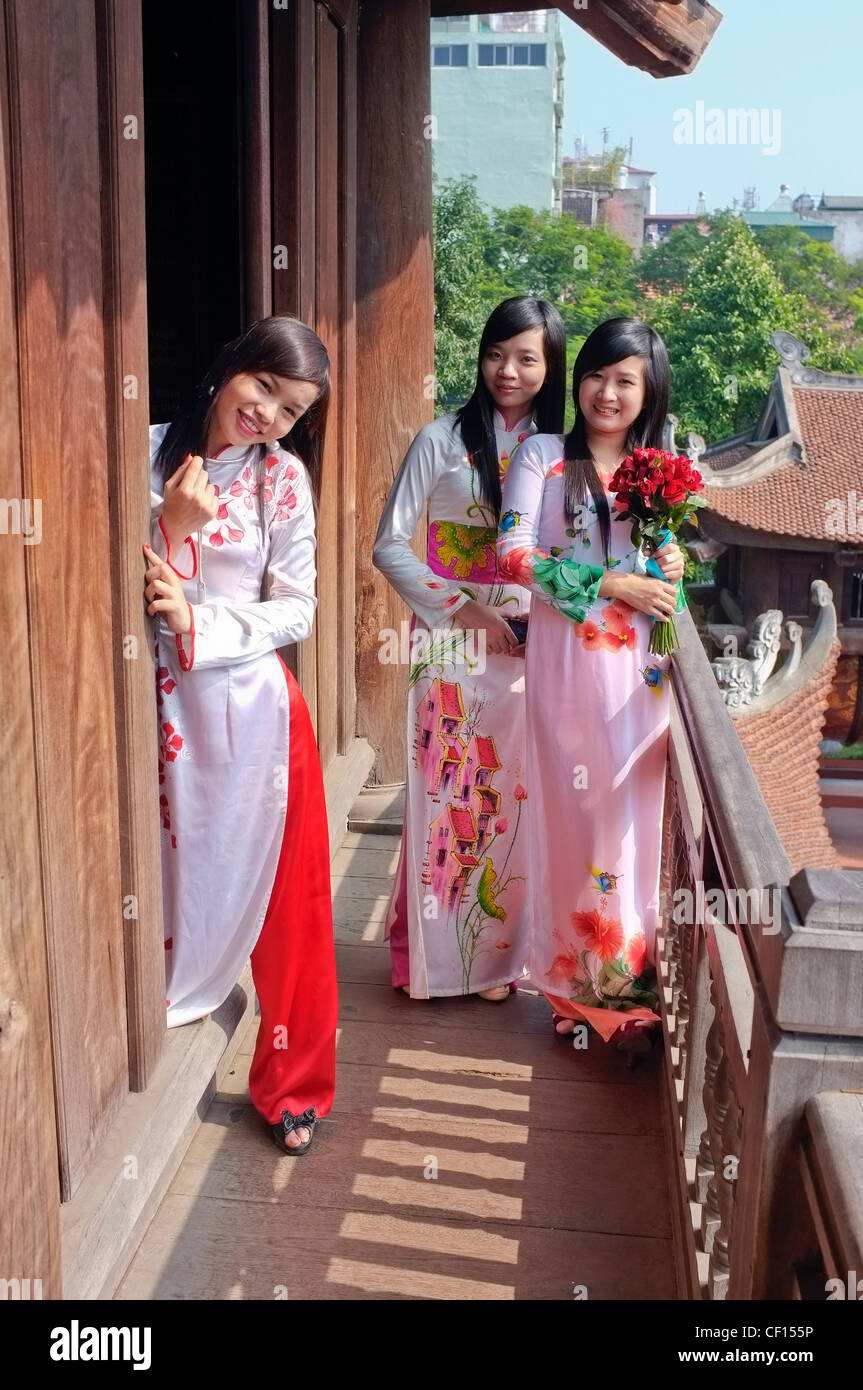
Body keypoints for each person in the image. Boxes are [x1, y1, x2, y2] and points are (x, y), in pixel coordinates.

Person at [143, 315, 337, 1153]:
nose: (267, 415)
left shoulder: (279, 483)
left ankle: (294, 1083)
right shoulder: (141, 446)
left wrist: (199, 620)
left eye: (290, 410)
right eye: (263, 387)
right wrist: (171, 531)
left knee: (290, 905)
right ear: (231, 368)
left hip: (252, 713)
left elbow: (298, 605)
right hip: (148, 703)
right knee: (153, 869)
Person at [496, 317, 685, 1061]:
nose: (607, 392)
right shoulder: (544, 455)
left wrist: (670, 562)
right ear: (578, 382)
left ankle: (627, 986)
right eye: (597, 375)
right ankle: (573, 989)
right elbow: (512, 556)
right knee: (577, 826)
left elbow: (664, 563)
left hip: (643, 676)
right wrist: (610, 582)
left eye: (625, 380)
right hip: (571, 671)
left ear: (648, 393)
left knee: (632, 832)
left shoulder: (654, 463)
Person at [373, 296, 566, 999]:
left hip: (528, 645)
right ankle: (434, 962)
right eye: (495, 354)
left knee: (508, 799)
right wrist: (461, 608)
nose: (506, 371)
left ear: (550, 367)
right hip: (452, 641)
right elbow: (388, 545)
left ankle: (495, 963)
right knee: (446, 794)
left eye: (525, 358)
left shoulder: (559, 453)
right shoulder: (440, 439)